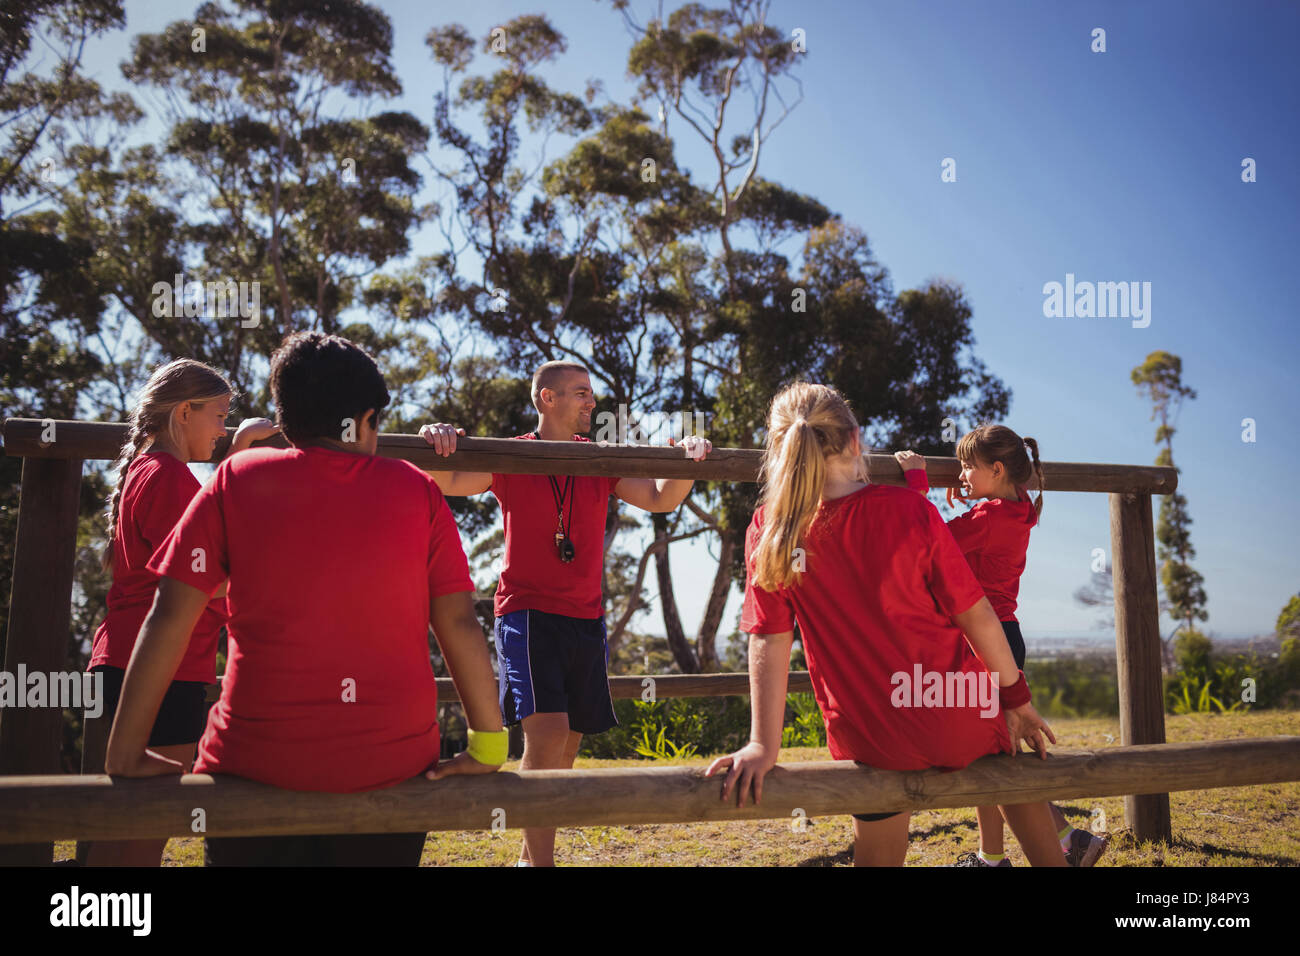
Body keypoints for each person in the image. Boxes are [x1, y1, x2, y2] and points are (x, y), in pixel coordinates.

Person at [105, 332, 505, 867]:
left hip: (253, 769)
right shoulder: (416, 489)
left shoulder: (236, 479)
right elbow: (457, 620)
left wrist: (126, 750)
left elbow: (170, 613)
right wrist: (488, 746)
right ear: (366, 419)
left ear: (287, 420)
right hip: (392, 769)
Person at [705, 382, 1067, 867]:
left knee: (876, 853)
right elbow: (977, 614)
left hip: (868, 731)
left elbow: (768, 638)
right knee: (1008, 770)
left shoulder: (770, 530)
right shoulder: (910, 511)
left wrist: (762, 745)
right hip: (952, 712)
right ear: (856, 441)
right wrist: (1016, 699)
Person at [420, 360, 712, 866]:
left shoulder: (598, 459)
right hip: (527, 614)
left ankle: (530, 857)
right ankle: (542, 865)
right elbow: (445, 480)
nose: (592, 403)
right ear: (546, 399)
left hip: (586, 618)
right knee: (549, 734)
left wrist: (687, 460)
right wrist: (437, 437)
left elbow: (662, 499)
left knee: (568, 743)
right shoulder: (512, 454)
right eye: (581, 393)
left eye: (591, 394)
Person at [81, 359, 276, 866]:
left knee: (120, 830)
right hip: (161, 667)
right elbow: (208, 580)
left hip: (128, 658)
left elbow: (203, 540)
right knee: (143, 837)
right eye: (219, 415)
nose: (222, 428)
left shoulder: (150, 469)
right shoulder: (166, 476)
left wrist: (234, 454)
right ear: (184, 412)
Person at [895, 426, 1107, 867]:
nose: (960, 473)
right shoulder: (1018, 508)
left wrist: (919, 481)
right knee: (991, 755)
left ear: (996, 468)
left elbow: (929, 540)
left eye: (968, 466)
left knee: (990, 759)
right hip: (1004, 637)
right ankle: (1053, 843)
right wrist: (975, 491)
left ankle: (1010, 855)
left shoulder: (990, 518)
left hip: (985, 642)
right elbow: (989, 514)